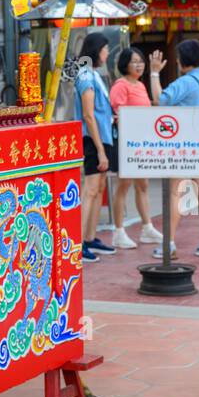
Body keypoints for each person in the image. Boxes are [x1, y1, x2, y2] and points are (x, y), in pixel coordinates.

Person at [149, 38, 199, 259]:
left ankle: (168, 244)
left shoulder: (185, 82)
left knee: (176, 192)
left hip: (185, 142)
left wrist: (154, 73)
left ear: (184, 60)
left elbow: (160, 100)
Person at [109, 47, 162, 249]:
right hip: (127, 142)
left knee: (143, 185)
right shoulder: (121, 85)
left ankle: (147, 228)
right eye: (134, 61)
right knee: (124, 185)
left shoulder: (140, 85)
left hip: (141, 142)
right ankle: (118, 232)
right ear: (125, 64)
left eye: (140, 61)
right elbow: (118, 114)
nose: (139, 65)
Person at [74, 31, 117, 263]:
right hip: (93, 139)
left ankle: (90, 238)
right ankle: (78, 243)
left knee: (98, 188)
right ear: (96, 50)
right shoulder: (85, 76)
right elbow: (88, 115)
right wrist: (100, 149)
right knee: (90, 190)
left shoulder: (93, 74)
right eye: (105, 49)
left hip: (102, 136)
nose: (107, 53)